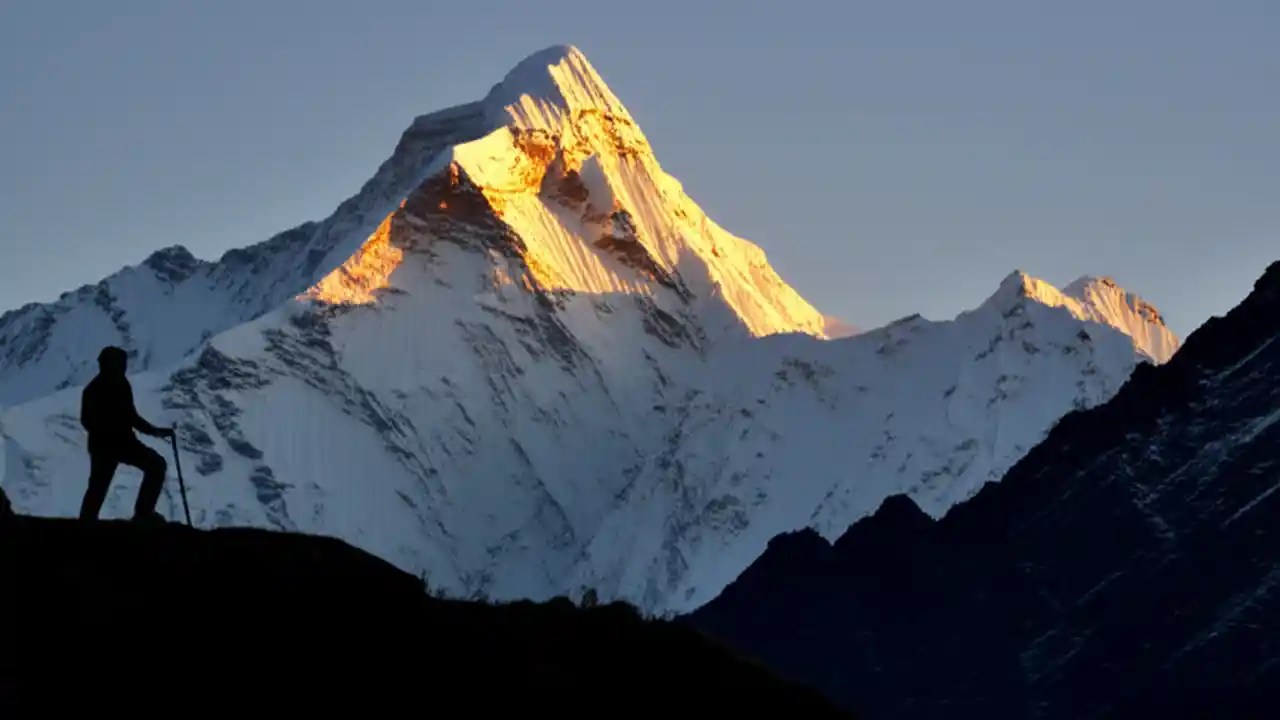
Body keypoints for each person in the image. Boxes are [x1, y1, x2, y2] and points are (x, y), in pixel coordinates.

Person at [78, 346, 175, 522]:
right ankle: (141, 514)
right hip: (109, 446)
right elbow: (89, 421)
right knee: (99, 486)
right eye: (121, 364)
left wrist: (155, 431)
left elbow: (131, 417)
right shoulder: (99, 389)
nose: (124, 367)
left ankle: (140, 514)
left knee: (99, 486)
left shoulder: (118, 385)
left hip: (114, 444)